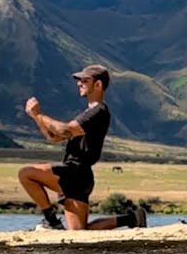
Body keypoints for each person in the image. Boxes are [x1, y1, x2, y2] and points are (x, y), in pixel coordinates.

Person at [18, 64, 147, 231]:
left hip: (74, 172)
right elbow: (54, 136)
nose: (79, 83)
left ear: (98, 85)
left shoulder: (98, 111)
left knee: (26, 174)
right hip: (82, 176)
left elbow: (64, 130)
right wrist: (36, 117)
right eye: (79, 80)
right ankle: (131, 219)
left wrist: (39, 115)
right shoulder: (90, 112)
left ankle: (51, 221)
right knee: (80, 231)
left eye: (85, 80)